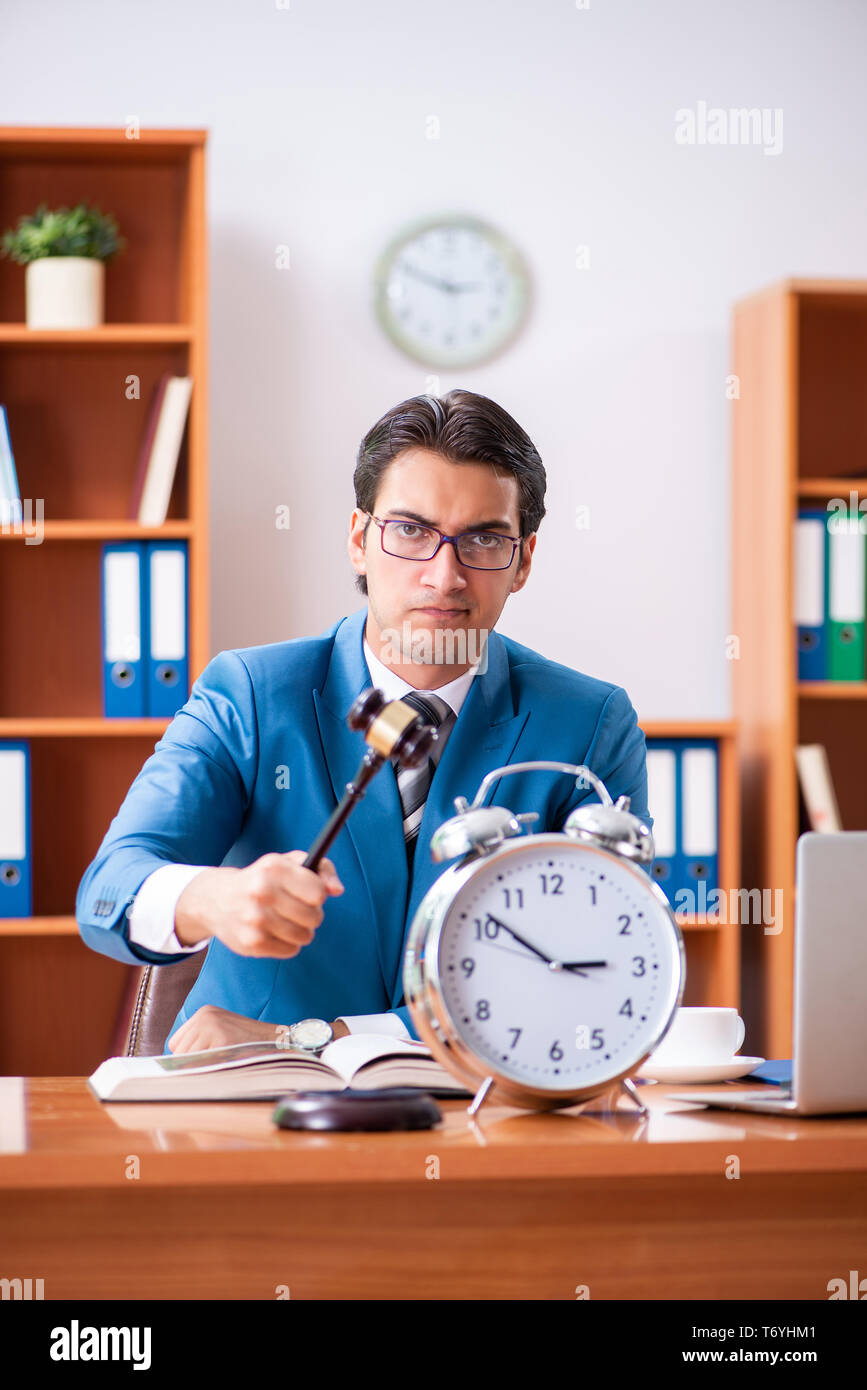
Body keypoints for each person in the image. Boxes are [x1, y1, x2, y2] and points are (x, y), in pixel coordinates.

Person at [76, 389, 652, 1054]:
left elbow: (597, 965)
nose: (444, 576)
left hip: (485, 1109)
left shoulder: (588, 722)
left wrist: (317, 1038)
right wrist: (212, 898)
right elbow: (107, 890)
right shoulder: (251, 693)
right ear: (359, 540)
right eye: (411, 531)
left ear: (522, 561)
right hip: (248, 1114)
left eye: (485, 539)